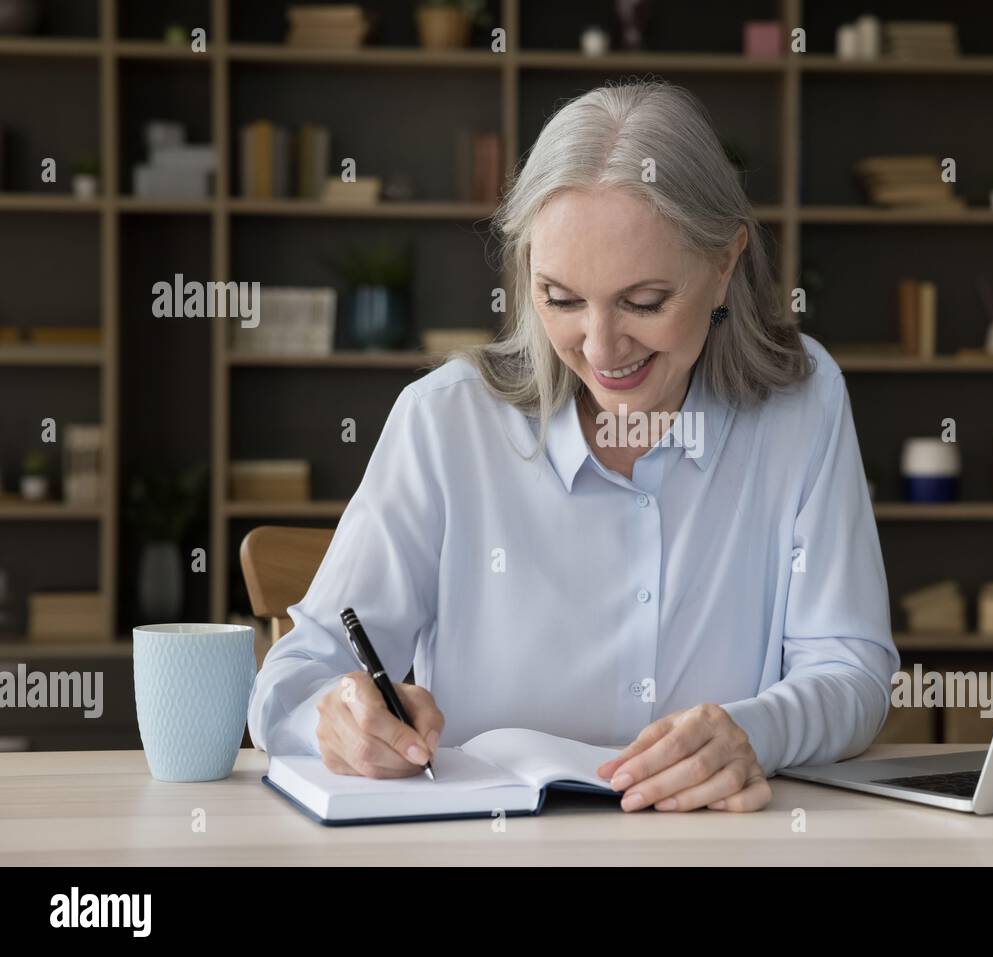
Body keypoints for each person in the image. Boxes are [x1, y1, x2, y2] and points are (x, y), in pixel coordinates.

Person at [248, 80, 897, 814]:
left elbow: (853, 668)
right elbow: (293, 677)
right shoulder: (445, 422)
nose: (601, 347)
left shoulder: (800, 403)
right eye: (560, 298)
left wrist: (755, 730)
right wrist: (338, 718)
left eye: (643, 302)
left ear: (724, 263)